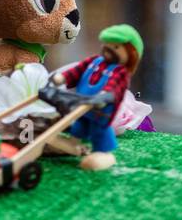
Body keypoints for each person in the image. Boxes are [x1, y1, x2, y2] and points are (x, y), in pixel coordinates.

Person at [44, 24, 143, 170]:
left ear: (131, 53)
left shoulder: (120, 72)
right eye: (107, 45)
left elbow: (113, 87)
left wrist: (104, 96)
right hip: (82, 104)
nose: (109, 49)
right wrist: (62, 77)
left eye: (116, 47)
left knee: (100, 130)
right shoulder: (94, 61)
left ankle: (104, 153)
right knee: (79, 125)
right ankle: (74, 142)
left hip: (101, 110)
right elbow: (77, 71)